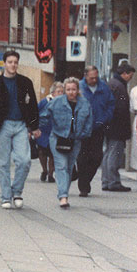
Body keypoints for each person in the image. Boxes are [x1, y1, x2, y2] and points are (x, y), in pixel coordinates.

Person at [0, 50, 41, 209]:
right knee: (2, 162)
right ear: (4, 63)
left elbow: (33, 105)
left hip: (21, 125)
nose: (13, 65)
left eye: (15, 62)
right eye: (10, 62)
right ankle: (6, 196)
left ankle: (17, 191)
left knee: (24, 160)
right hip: (2, 126)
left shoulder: (25, 82)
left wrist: (34, 127)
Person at [40, 77, 93, 209]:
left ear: (77, 90)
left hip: (75, 139)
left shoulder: (84, 103)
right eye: (68, 89)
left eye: (73, 89)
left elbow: (89, 121)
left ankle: (64, 192)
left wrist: (83, 133)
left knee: (69, 167)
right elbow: (44, 115)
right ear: (64, 90)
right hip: (58, 137)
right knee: (61, 166)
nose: (71, 92)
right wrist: (36, 129)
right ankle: (63, 196)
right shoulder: (57, 102)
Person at [77, 65, 115, 197]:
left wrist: (105, 118)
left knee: (97, 157)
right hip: (82, 128)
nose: (94, 80)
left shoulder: (103, 87)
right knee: (82, 158)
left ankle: (85, 180)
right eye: (91, 78)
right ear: (85, 76)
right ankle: (84, 186)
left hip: (98, 127)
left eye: (96, 77)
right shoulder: (79, 87)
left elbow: (111, 104)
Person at [103, 64, 137, 191]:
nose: (130, 78)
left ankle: (106, 181)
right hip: (117, 126)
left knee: (108, 153)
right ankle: (113, 182)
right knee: (114, 153)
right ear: (125, 73)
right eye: (131, 76)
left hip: (110, 125)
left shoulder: (111, 83)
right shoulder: (119, 86)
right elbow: (121, 110)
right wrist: (124, 129)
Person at [36, 82, 66, 182]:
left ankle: (50, 174)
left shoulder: (64, 103)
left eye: (62, 91)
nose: (61, 93)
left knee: (53, 153)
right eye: (59, 91)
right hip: (43, 131)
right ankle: (44, 170)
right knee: (42, 152)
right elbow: (36, 113)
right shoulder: (44, 102)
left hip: (56, 131)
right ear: (53, 93)